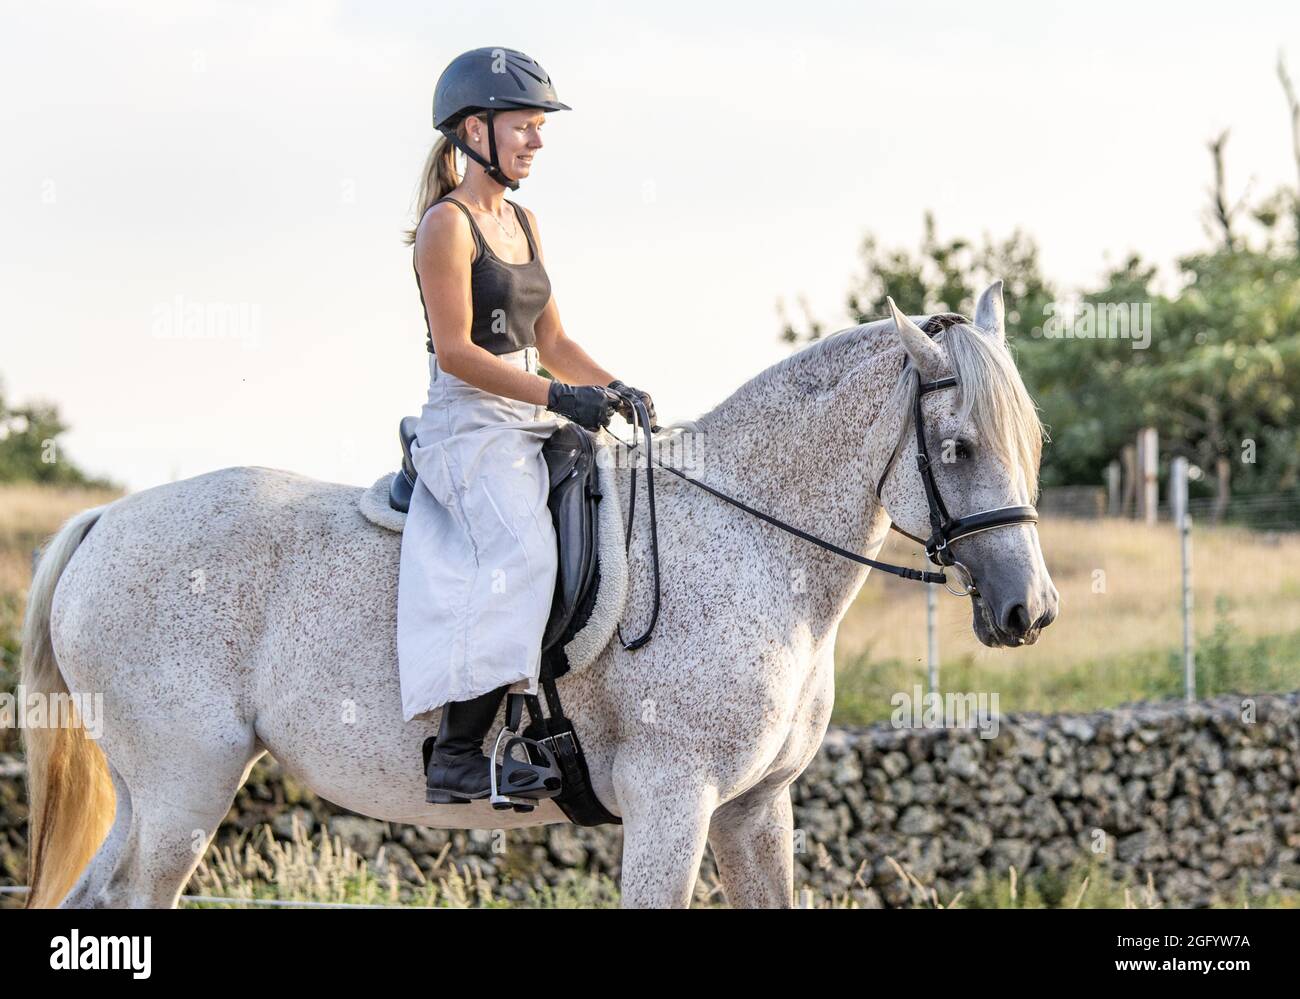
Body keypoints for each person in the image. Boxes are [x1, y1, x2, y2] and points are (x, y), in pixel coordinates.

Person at [397, 47, 656, 804]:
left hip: (527, 409)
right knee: (524, 552)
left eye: (542, 129)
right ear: (475, 129)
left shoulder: (523, 222)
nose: (538, 143)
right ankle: (456, 750)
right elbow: (457, 355)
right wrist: (555, 399)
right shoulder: (446, 227)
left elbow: (553, 344)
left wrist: (611, 386)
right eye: (526, 128)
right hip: (470, 422)